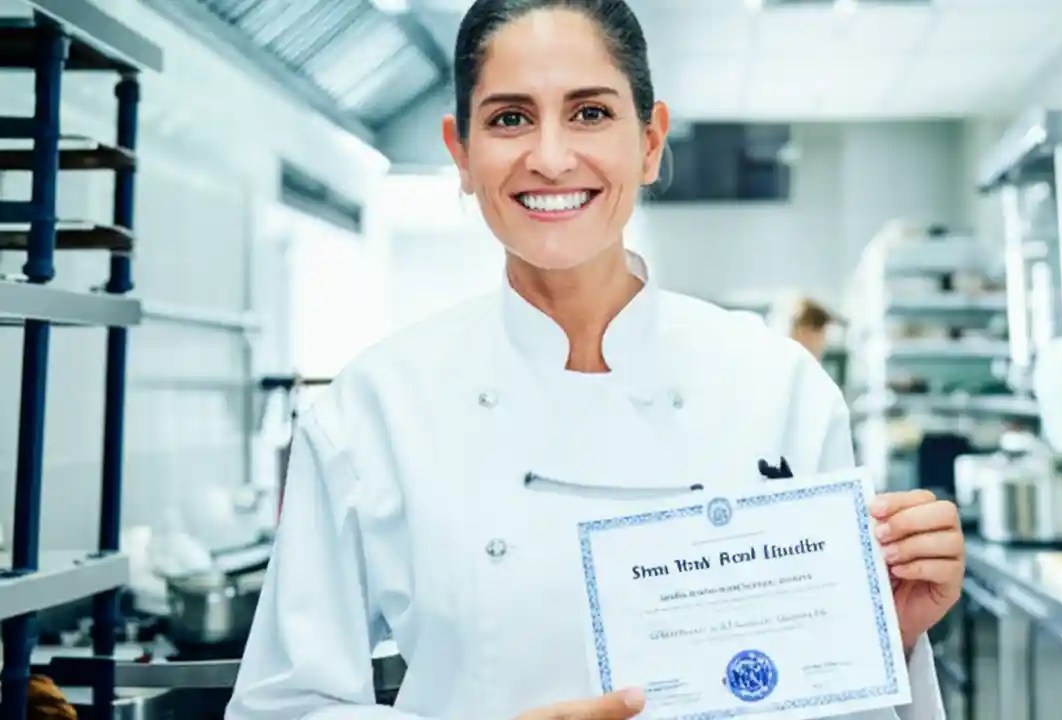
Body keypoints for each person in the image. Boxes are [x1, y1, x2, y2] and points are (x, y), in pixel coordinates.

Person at [226, 1, 963, 718]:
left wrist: (881, 640)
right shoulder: (374, 409)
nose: (550, 158)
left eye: (590, 113)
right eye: (510, 118)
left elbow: (823, 695)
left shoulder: (778, 388)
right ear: (461, 153)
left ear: (649, 142)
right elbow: (282, 706)